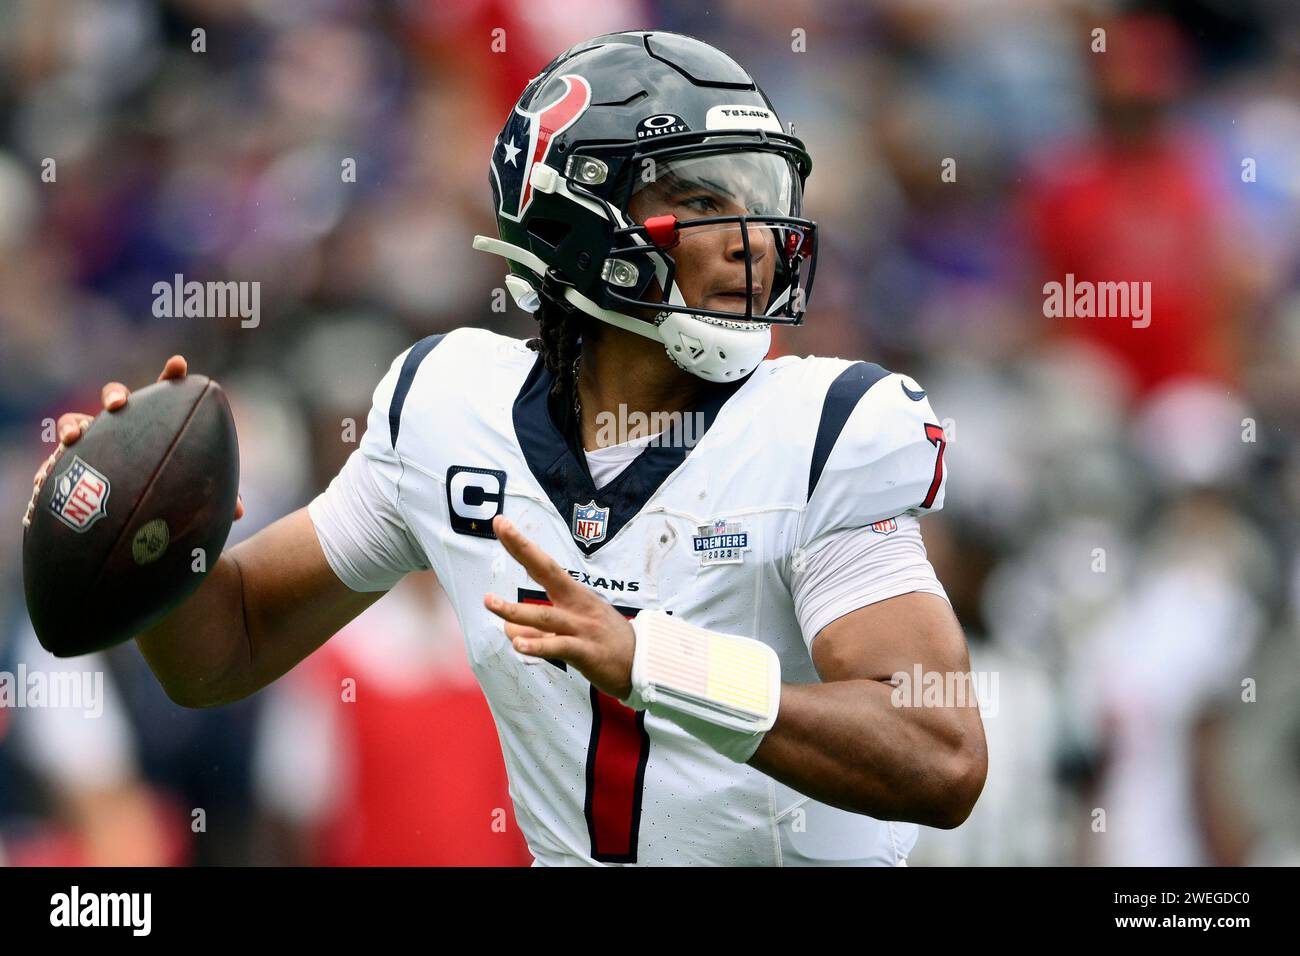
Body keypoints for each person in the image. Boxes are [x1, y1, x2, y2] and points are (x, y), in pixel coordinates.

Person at [29, 31, 985, 866]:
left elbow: (941, 755)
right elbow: (222, 652)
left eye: (761, 199)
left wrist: (657, 663)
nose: (756, 243)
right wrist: (150, 532)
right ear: (579, 219)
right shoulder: (447, 407)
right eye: (703, 199)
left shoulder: (821, 427)